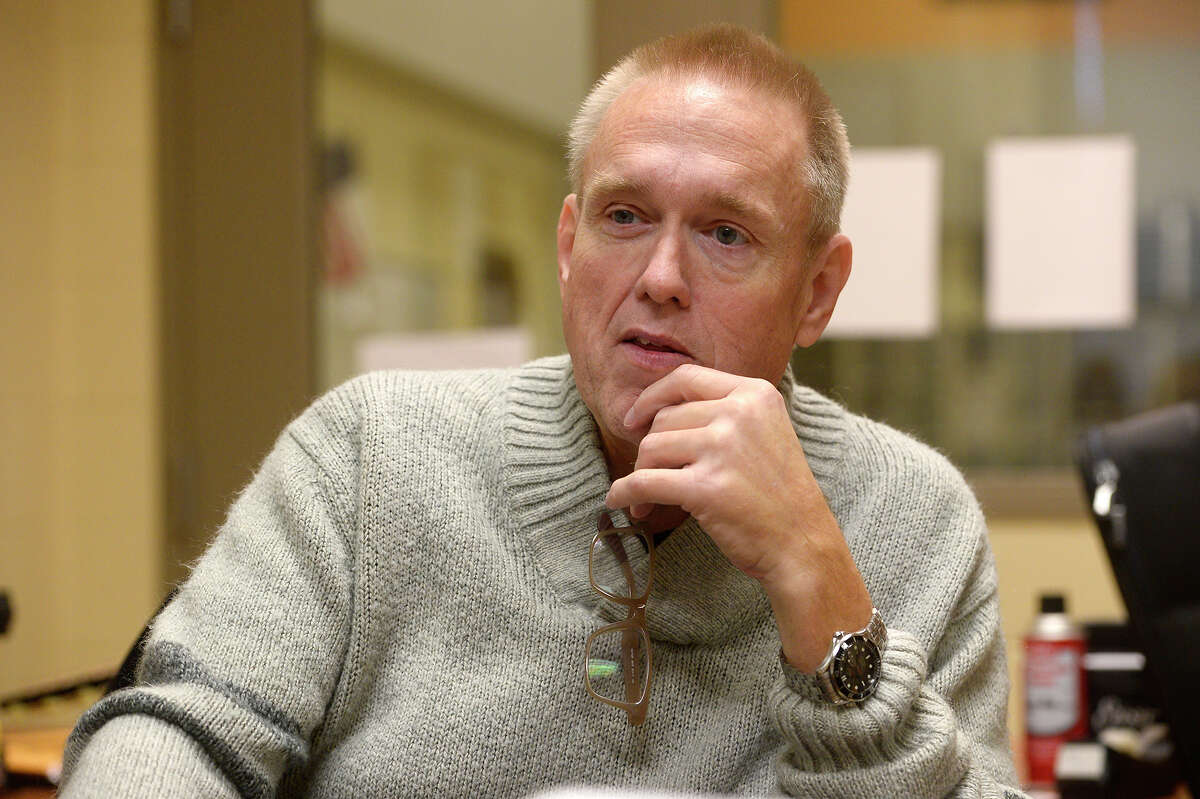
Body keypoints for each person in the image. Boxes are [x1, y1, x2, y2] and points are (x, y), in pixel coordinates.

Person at [60, 24, 1026, 798]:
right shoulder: (369, 454)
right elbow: (176, 726)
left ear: (818, 290)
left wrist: (817, 578)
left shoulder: (916, 517)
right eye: (624, 216)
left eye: (726, 233)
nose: (658, 278)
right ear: (568, 245)